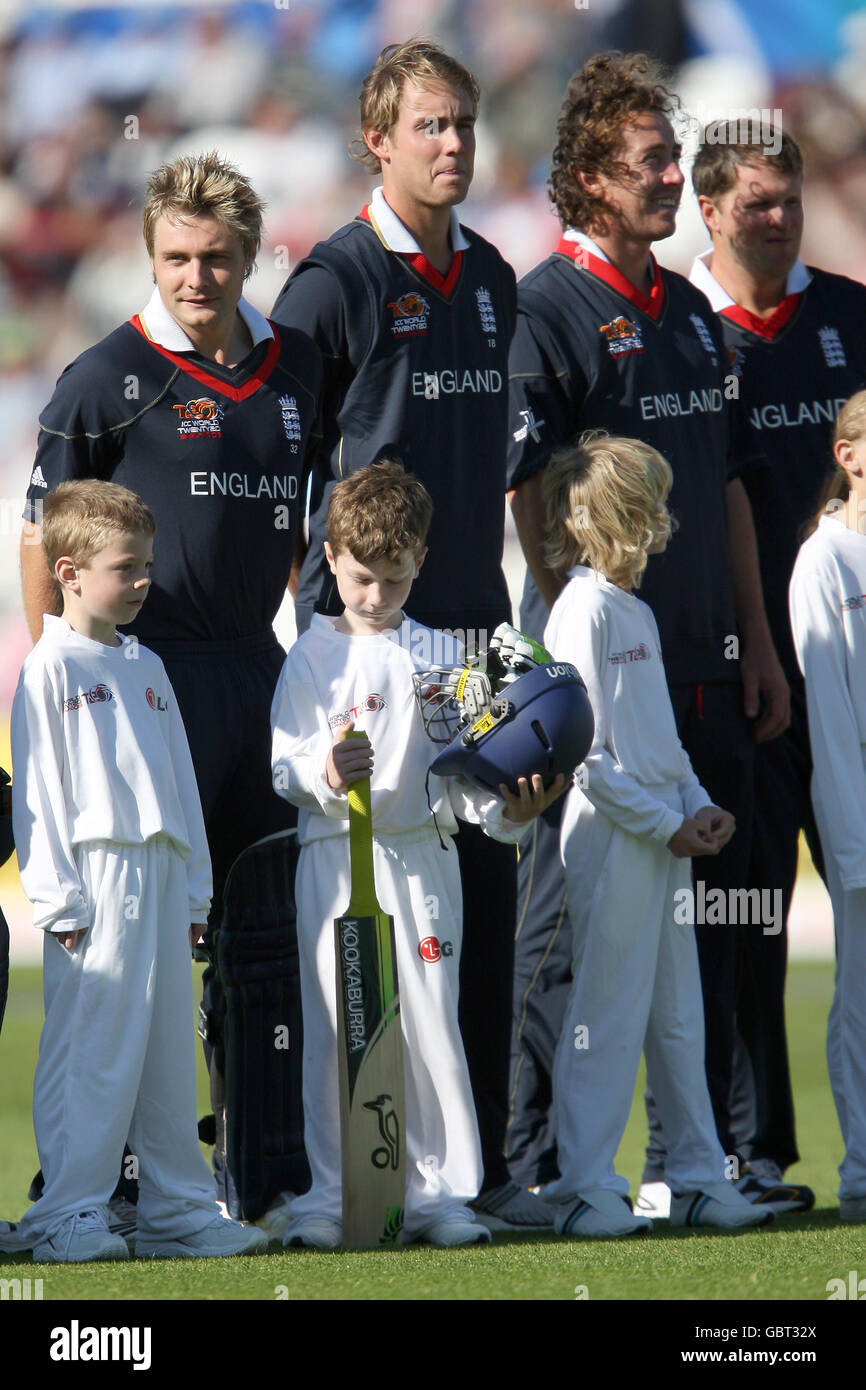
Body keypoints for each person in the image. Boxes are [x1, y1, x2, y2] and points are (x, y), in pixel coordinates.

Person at [270, 40, 544, 1229]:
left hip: (475, 631)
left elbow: (513, 464)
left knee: (475, 904)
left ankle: (466, 1181)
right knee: (355, 928)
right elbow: (281, 464)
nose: (451, 145)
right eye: (427, 126)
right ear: (375, 139)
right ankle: (338, 1178)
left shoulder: (492, 275)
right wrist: (309, 625)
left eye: (463, 125)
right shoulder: (329, 281)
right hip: (362, 633)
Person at [19, 152, 323, 1224]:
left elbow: (305, 533)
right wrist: (71, 680)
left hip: (257, 667)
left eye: (217, 257)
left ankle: (256, 1179)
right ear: (151, 254)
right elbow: (38, 534)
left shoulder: (291, 373)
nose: (195, 277)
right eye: (176, 257)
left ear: (251, 257)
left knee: (262, 945)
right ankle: (90, 1190)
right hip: (150, 682)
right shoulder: (107, 373)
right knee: (135, 962)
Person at [505, 52, 788, 1200]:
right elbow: (530, 496)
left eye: (673, 158)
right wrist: (571, 644)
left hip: (708, 663)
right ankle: (533, 1172)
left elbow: (719, 483)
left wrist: (756, 642)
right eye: (649, 162)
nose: (672, 177)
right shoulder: (543, 309)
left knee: (708, 924)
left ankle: (707, 1155)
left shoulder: (685, 311)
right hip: (599, 671)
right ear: (585, 176)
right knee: (564, 936)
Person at [645, 122, 866, 1215]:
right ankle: (749, 1150)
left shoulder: (850, 315)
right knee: (744, 919)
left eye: (787, 199)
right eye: (754, 202)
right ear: (708, 208)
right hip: (742, 674)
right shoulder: (683, 328)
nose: (775, 218)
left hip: (855, 671)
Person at [270, 461, 563, 1249]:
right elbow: (284, 764)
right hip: (334, 859)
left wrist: (513, 809)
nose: (376, 597)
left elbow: (467, 787)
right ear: (329, 558)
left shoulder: (447, 658)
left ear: (420, 565)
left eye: (395, 581)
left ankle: (439, 1196)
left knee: (433, 1020)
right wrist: (326, 773)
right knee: (342, 1023)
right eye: (362, 578)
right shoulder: (310, 655)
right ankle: (333, 1198)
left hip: (422, 861)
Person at [3, 480, 267, 1262]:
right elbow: (39, 796)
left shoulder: (146, 664)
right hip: (93, 880)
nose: (145, 580)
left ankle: (178, 1207)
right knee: (92, 1047)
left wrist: (195, 889)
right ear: (70, 572)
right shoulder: (47, 667)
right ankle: (68, 1210)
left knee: (160, 1048)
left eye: (147, 564)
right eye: (128, 567)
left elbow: (179, 784)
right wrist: (59, 897)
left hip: (158, 875)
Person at [542, 432, 771, 1237]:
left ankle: (700, 1177)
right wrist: (670, 824)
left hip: (660, 841)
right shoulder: (581, 613)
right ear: (622, 517)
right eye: (654, 503)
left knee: (678, 1013)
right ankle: (583, 1186)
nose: (667, 517)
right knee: (605, 1014)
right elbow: (587, 759)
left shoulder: (632, 608)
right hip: (611, 845)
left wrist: (697, 805)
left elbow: (660, 744)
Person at [790, 391, 866, 1223]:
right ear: (849, 456)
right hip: (859, 784)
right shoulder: (826, 561)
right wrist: (851, 839)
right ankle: (863, 1171)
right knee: (862, 996)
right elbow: (832, 714)